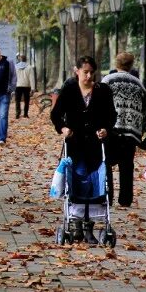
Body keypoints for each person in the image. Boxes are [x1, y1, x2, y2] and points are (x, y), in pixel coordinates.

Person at [50, 55, 117, 243]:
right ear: (76, 71)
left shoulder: (103, 91)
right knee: (78, 179)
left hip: (96, 145)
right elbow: (56, 114)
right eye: (85, 72)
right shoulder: (70, 89)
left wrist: (106, 129)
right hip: (76, 143)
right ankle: (76, 224)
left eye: (91, 73)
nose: (88, 76)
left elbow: (111, 115)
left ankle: (89, 228)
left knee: (96, 181)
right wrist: (63, 128)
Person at [101, 52, 146, 207]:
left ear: (116, 64)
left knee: (106, 163)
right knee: (127, 165)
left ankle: (108, 197)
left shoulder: (107, 81)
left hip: (111, 129)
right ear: (131, 65)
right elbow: (145, 110)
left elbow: (100, 103)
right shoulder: (139, 84)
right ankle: (125, 199)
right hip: (131, 131)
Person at [13, 54, 34, 119]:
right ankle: (25, 114)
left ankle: (17, 114)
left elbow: (14, 77)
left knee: (17, 100)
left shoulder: (16, 67)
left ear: (20, 59)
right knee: (27, 101)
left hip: (18, 85)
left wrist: (13, 86)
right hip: (26, 86)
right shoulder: (29, 67)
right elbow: (32, 78)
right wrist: (33, 88)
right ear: (26, 59)